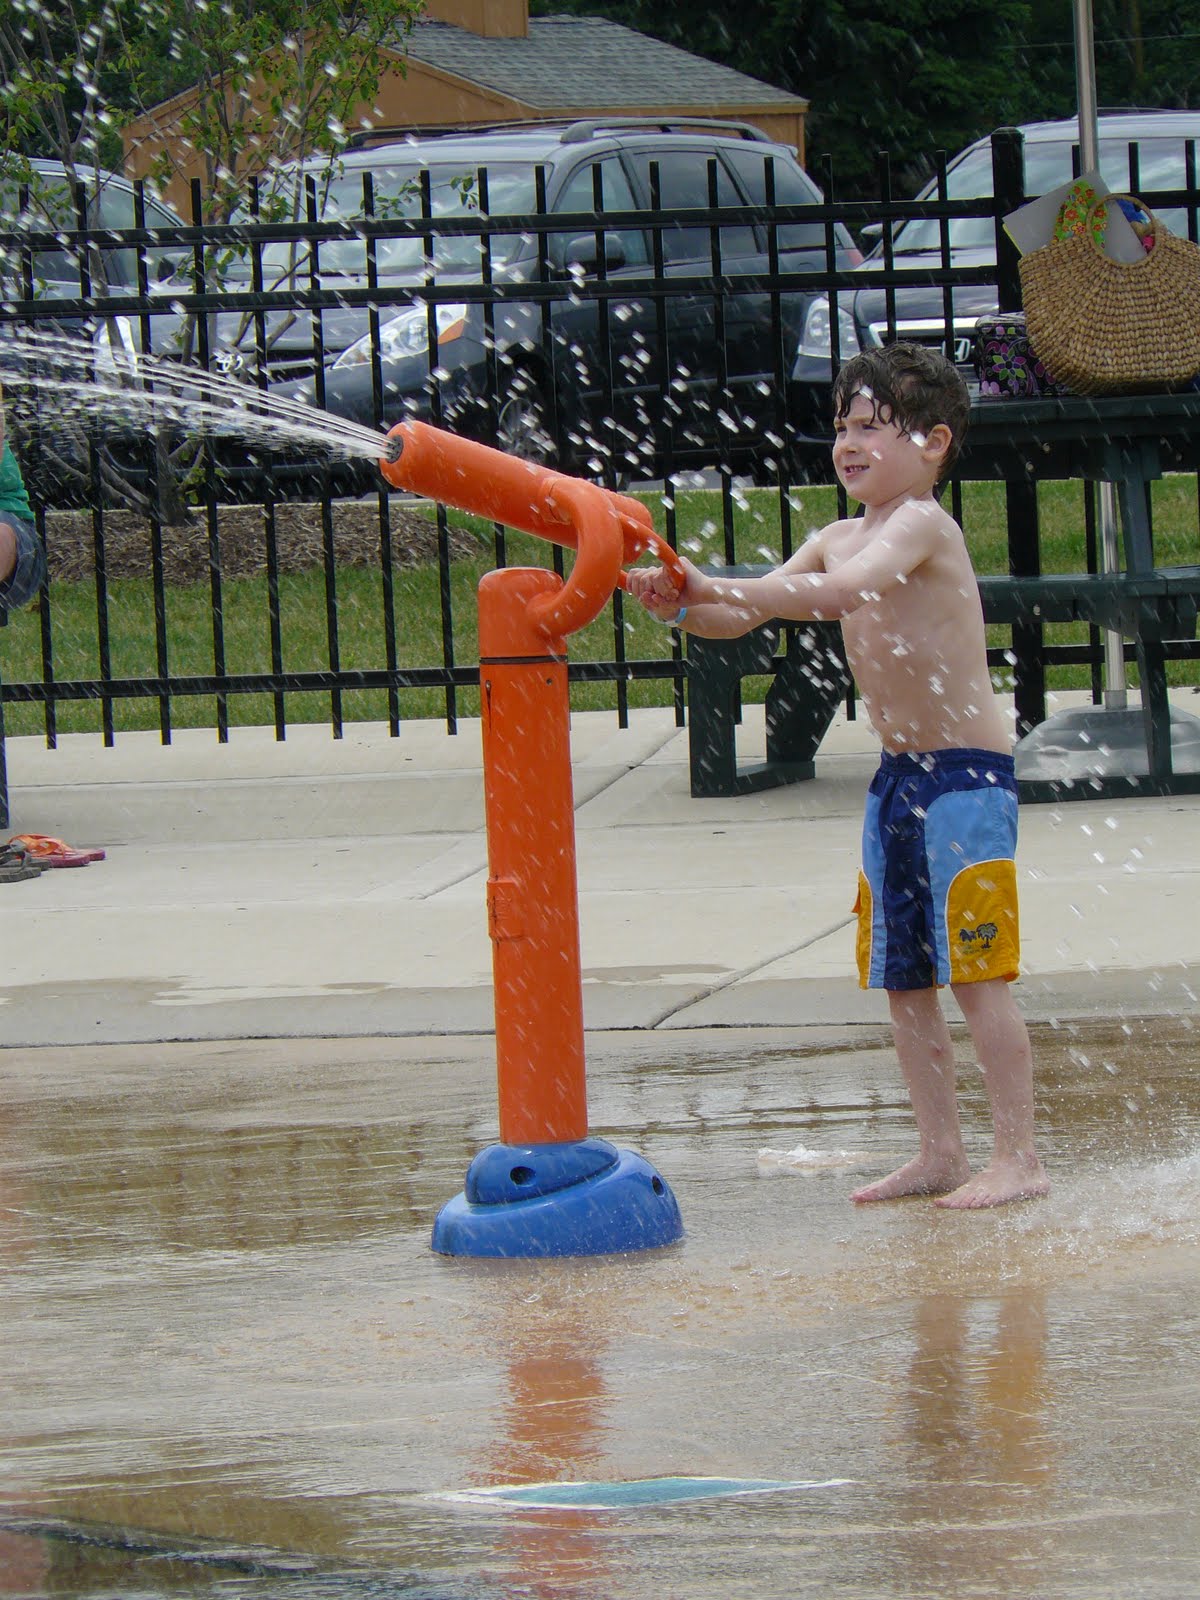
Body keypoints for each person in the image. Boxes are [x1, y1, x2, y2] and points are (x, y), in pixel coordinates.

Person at [627, 342, 1049, 1209]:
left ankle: (1019, 1157)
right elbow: (737, 617)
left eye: (871, 427)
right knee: (904, 978)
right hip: (897, 780)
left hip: (965, 781)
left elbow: (838, 594)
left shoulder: (922, 525)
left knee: (978, 974)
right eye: (841, 427)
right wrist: (681, 602)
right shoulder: (835, 535)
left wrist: (715, 582)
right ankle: (940, 1153)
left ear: (933, 443)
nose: (849, 443)